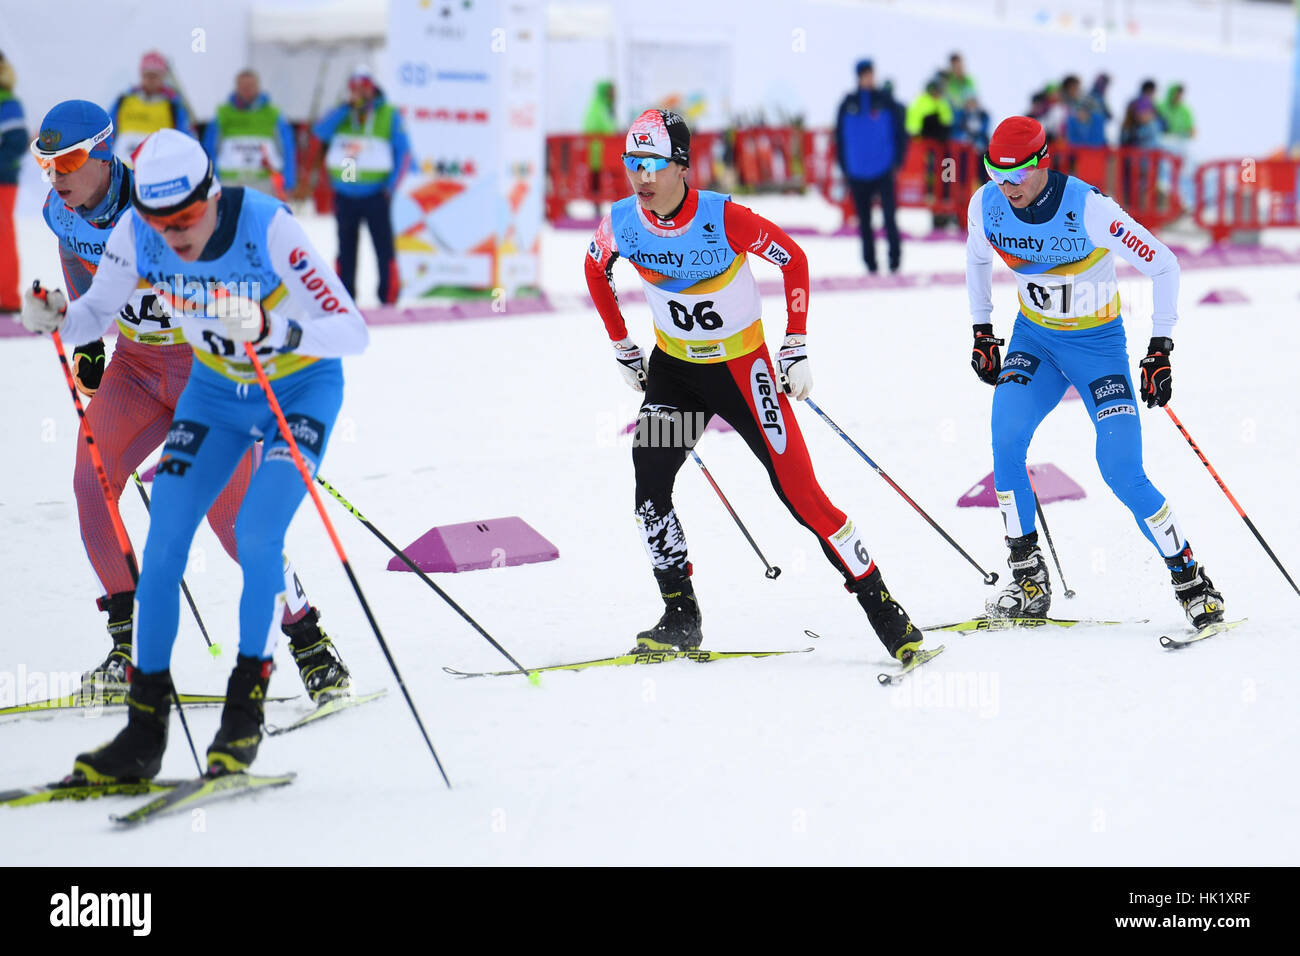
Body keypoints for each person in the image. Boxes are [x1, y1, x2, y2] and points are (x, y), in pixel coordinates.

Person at [21, 127, 370, 780]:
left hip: (292, 379)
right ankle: (143, 731)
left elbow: (353, 330)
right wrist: (59, 319)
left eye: (185, 220)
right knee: (162, 539)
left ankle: (273, 682)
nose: (173, 238)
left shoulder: (268, 225)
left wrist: (274, 327)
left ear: (211, 196)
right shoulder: (132, 230)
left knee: (245, 529)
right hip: (209, 380)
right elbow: (94, 313)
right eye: (160, 224)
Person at [583, 108, 924, 663]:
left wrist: (795, 344)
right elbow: (595, 270)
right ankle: (680, 615)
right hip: (676, 374)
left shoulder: (724, 218)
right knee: (649, 485)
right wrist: (622, 343)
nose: (641, 178)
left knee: (801, 495)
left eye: (652, 164)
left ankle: (886, 611)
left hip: (744, 372)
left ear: (682, 167)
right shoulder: (621, 222)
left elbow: (794, 258)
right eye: (632, 164)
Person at [966, 116, 1224, 628]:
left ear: (1042, 163)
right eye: (996, 173)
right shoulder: (986, 204)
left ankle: (1190, 578)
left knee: (1121, 469)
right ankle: (1028, 577)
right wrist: (982, 330)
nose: (1005, 185)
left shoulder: (1090, 208)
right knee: (1006, 439)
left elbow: (1165, 265)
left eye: (1014, 175)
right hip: (1034, 341)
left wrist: (1160, 349)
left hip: (1097, 348)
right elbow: (975, 261)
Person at [310, 66, 411, 305]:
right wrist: (345, 109)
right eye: (355, 87)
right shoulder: (341, 114)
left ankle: (388, 295)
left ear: (373, 87)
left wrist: (391, 188)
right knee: (346, 249)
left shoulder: (388, 113)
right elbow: (319, 132)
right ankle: (345, 297)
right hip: (346, 193)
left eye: (364, 86)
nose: (359, 92)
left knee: (383, 247)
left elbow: (403, 152)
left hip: (377, 193)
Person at [835, 59, 907, 274]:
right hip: (857, 171)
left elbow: (901, 132)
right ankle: (870, 263)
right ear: (858, 76)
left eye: (870, 74)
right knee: (864, 221)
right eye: (864, 74)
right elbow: (839, 137)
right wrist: (845, 167)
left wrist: (897, 161)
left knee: (889, 217)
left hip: (883, 169)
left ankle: (894, 260)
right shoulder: (847, 103)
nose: (868, 78)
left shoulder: (885, 101)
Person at [201, 69, 297, 196]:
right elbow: (210, 147)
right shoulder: (223, 113)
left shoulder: (273, 113)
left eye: (250, 86)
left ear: (258, 86)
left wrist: (288, 179)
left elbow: (287, 147)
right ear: (237, 87)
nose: (247, 90)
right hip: (230, 180)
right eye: (243, 86)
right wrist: (212, 178)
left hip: (265, 181)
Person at [108, 50, 194, 164]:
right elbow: (108, 131)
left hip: (153, 170)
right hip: (121, 170)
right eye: (147, 75)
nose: (150, 80)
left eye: (155, 76)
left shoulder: (173, 106)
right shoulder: (124, 100)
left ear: (162, 77)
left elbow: (184, 139)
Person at [0, 50, 25, 315]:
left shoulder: (7, 103)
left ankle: (7, 298)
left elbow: (16, 142)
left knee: (2, 236)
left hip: (2, 180)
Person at [582, 79, 618, 217]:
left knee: (599, 178)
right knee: (596, 178)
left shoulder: (601, 106)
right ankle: (596, 205)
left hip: (602, 150)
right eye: (611, 93)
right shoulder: (598, 107)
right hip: (598, 150)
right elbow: (604, 127)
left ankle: (599, 205)